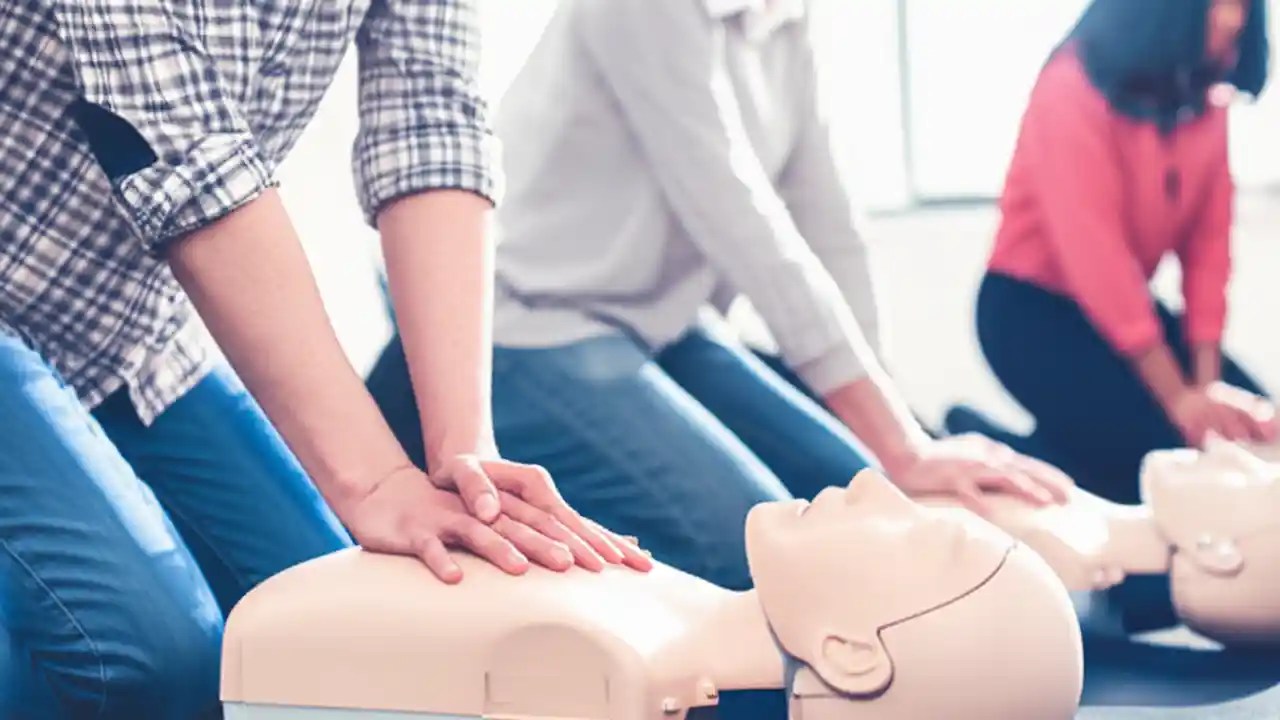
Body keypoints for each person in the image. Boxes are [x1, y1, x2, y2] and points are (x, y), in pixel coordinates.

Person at [0, 1, 646, 717]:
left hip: (133, 331)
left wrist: (464, 452)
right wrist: (373, 482)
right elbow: (180, 142)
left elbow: (431, 115)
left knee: (347, 631)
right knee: (150, 657)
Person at [367, 0, 1072, 593]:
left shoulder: (784, 19)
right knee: (772, 554)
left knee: (872, 502)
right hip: (534, 322)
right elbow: (745, 226)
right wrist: (898, 441)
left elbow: (829, 227)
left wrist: (898, 431)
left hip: (666, 324)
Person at [946, 0, 1277, 506]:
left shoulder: (1205, 101)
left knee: (1247, 432)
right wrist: (1178, 399)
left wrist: (1205, 389)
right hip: (1029, 313)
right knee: (1162, 457)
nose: (1233, 17)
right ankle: (1003, 454)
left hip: (1127, 315)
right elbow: (1096, 258)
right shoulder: (1070, 83)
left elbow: (1209, 251)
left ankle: (1021, 447)